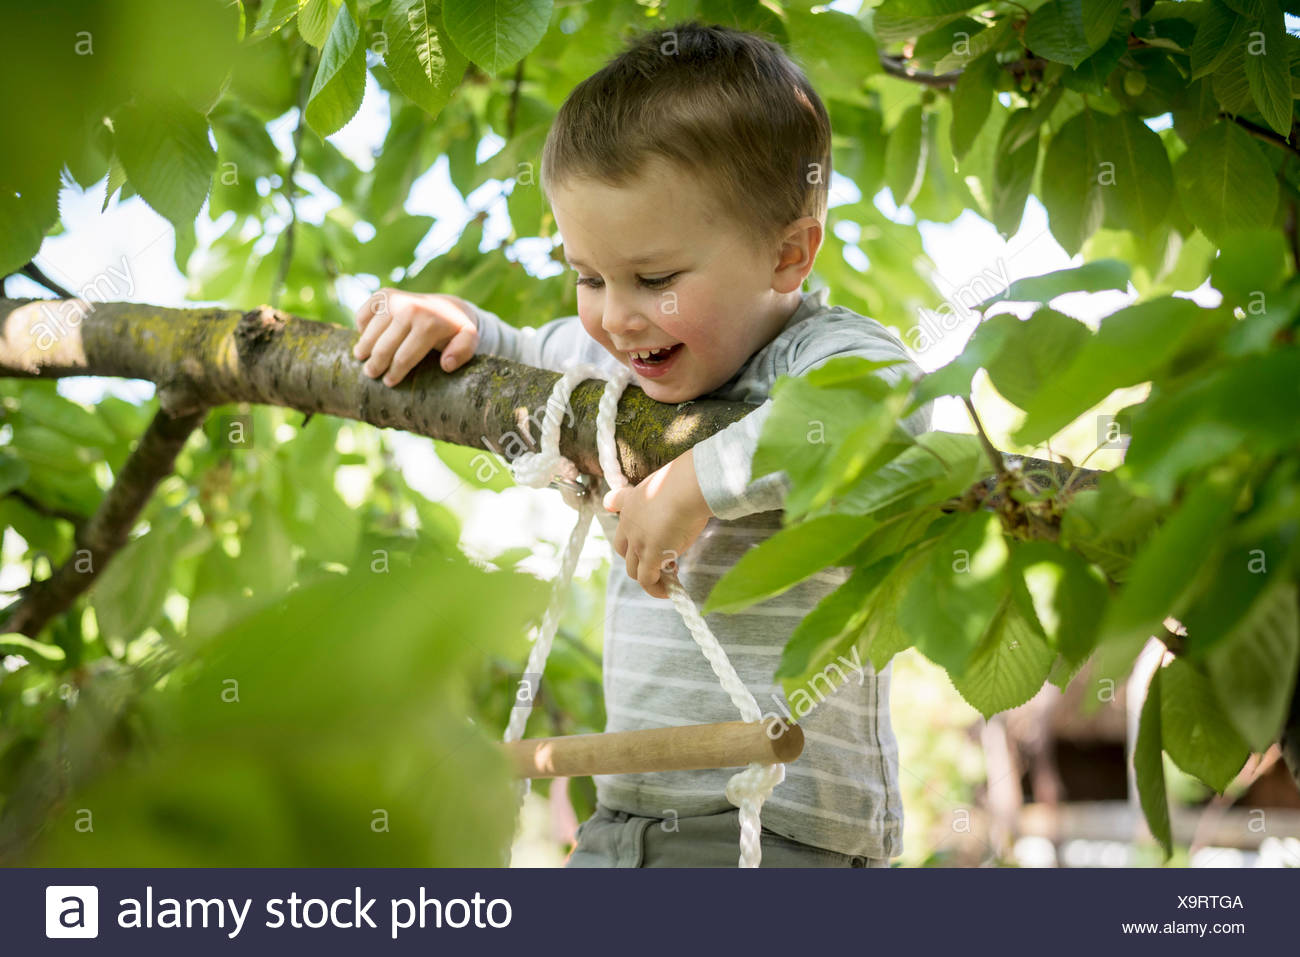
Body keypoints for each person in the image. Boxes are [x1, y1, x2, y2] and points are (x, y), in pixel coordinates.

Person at [351, 21, 933, 867]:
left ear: (787, 254)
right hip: (623, 814)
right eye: (589, 276)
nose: (616, 315)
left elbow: (889, 410)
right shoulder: (611, 360)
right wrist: (457, 323)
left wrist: (697, 480)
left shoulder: (821, 353)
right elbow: (515, 356)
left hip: (782, 827)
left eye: (655, 280)